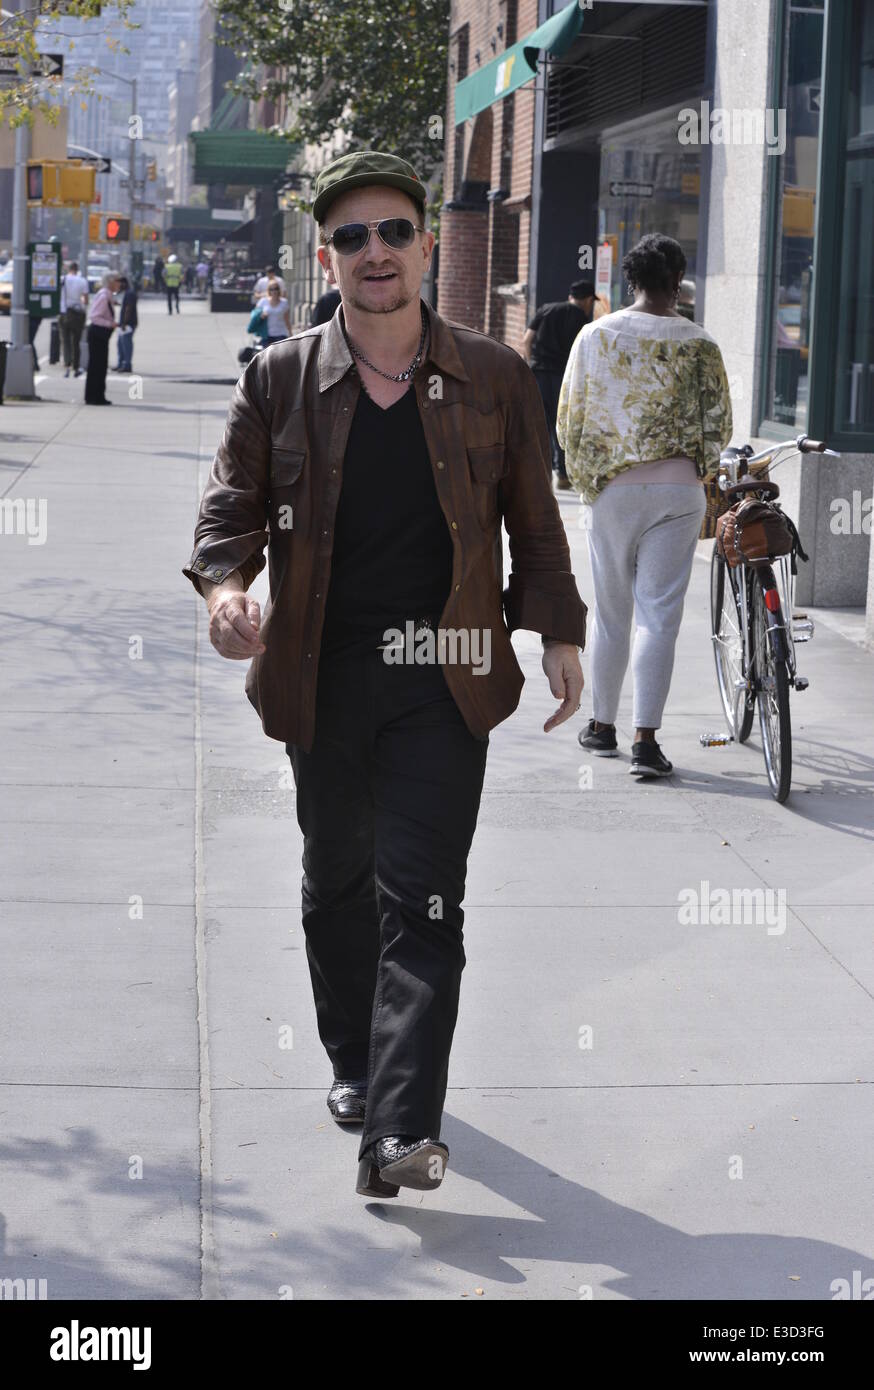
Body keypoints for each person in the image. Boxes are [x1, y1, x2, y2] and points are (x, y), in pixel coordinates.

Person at [182, 149, 587, 1200]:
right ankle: (356, 1064)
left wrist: (556, 629)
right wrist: (227, 592)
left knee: (426, 898)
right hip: (320, 669)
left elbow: (533, 518)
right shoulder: (279, 376)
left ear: (425, 247)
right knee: (339, 881)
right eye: (352, 237)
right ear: (329, 256)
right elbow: (229, 510)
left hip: (445, 672)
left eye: (393, 232)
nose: (375, 252)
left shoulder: (493, 375)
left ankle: (403, 1125)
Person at [557, 233, 732, 778]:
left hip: (614, 488)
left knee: (612, 613)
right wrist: (697, 468)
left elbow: (570, 416)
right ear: (678, 282)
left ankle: (602, 727)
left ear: (629, 281)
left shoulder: (595, 335)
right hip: (678, 489)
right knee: (659, 615)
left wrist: (587, 479)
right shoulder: (700, 343)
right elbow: (718, 424)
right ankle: (646, 741)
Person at [523, 280, 596, 492]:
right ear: (588, 300)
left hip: (538, 374)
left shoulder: (546, 309)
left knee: (540, 426)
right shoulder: (580, 318)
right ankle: (563, 475)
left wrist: (531, 364)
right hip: (562, 377)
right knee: (561, 425)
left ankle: (542, 476)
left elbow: (526, 339)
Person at [84, 272, 118, 405]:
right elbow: (95, 316)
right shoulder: (104, 296)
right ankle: (92, 396)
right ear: (110, 282)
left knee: (101, 366)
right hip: (98, 333)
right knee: (96, 366)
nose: (119, 284)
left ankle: (99, 395)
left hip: (102, 334)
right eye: (117, 281)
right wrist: (110, 324)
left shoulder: (108, 295)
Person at [58, 260, 89, 378]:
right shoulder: (82, 281)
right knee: (76, 341)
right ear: (77, 269)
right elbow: (85, 300)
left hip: (64, 312)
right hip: (77, 314)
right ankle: (75, 367)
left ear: (68, 269)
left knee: (65, 341)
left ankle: (66, 364)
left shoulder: (62, 279)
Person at [113, 275, 138, 373]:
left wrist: (124, 323)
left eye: (119, 283)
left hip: (128, 324)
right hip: (123, 324)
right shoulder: (126, 293)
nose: (117, 286)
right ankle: (121, 363)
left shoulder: (130, 293)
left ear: (124, 283)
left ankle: (127, 364)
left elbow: (129, 309)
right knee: (120, 344)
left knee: (126, 345)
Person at [254, 278, 292, 342]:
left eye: (276, 289)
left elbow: (287, 319)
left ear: (279, 290)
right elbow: (255, 314)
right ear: (269, 291)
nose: (274, 291)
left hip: (281, 334)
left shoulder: (284, 302)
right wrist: (261, 315)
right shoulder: (263, 301)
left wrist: (290, 332)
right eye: (271, 289)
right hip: (266, 334)